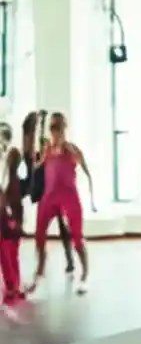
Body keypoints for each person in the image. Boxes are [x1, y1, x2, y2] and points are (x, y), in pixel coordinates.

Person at [26, 113, 93, 297]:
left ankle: (85, 275)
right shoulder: (47, 148)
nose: (56, 131)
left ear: (64, 128)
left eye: (59, 127)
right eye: (53, 127)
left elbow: (86, 169)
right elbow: (35, 164)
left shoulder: (71, 150)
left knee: (77, 238)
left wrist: (92, 196)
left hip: (69, 197)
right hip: (50, 197)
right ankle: (39, 274)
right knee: (39, 235)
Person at [20, 111, 73, 274]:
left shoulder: (63, 148)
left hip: (52, 188)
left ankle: (69, 258)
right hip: (41, 184)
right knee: (43, 230)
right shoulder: (44, 148)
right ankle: (43, 263)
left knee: (61, 225)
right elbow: (34, 157)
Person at [1, 122, 24, 316]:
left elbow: (16, 181)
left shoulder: (13, 156)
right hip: (4, 208)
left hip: (11, 209)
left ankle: (13, 286)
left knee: (10, 249)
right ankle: (12, 285)